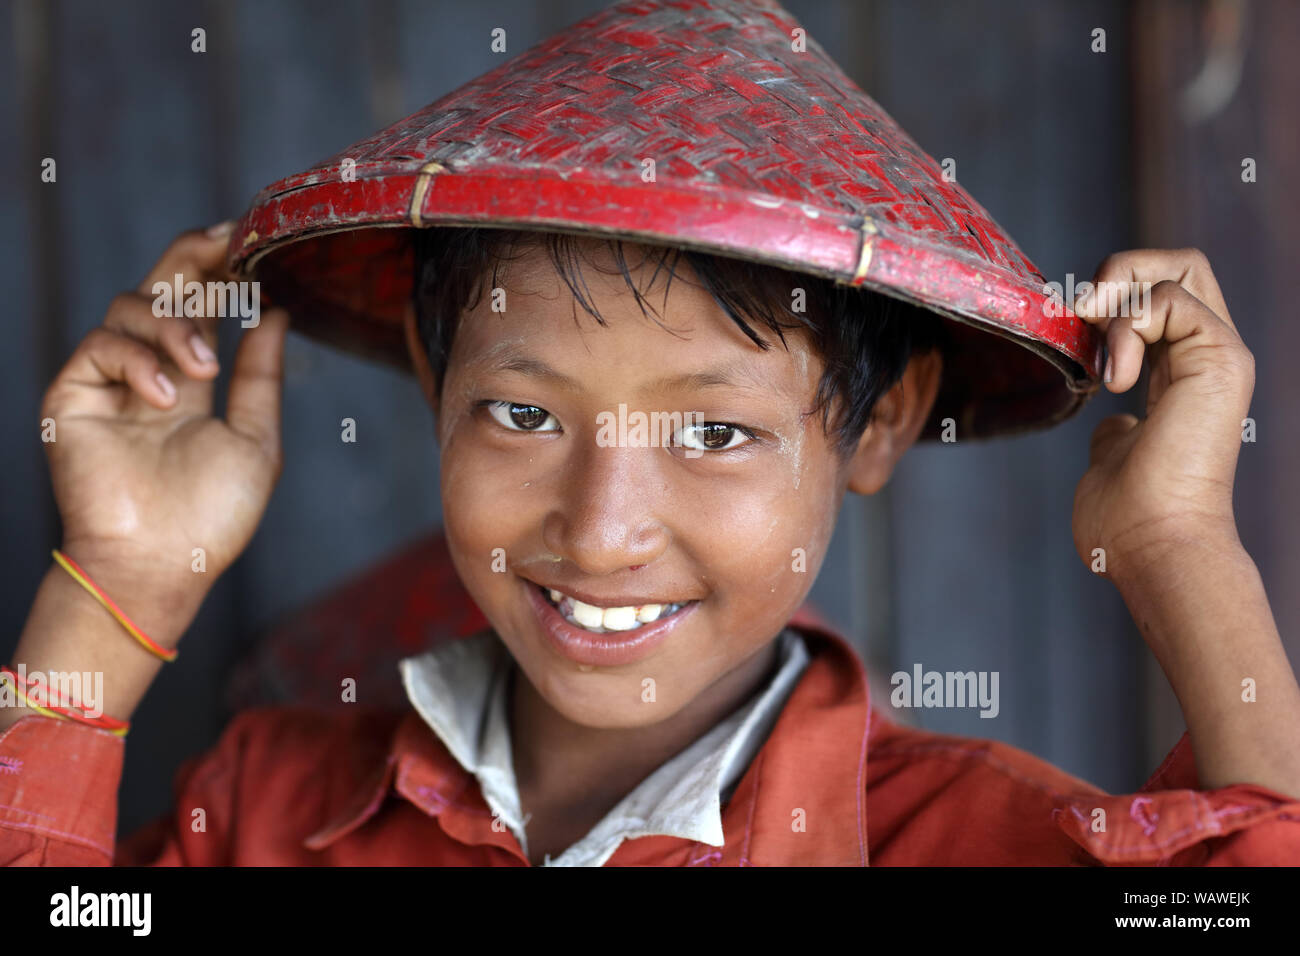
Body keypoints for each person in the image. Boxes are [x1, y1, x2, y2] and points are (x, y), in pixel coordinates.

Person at [3, 0, 1298, 866]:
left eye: (715, 435)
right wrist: (111, 591)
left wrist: (1184, 547)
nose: (602, 529)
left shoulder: (980, 840)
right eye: (522, 413)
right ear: (428, 370)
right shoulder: (268, 813)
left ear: (876, 422)